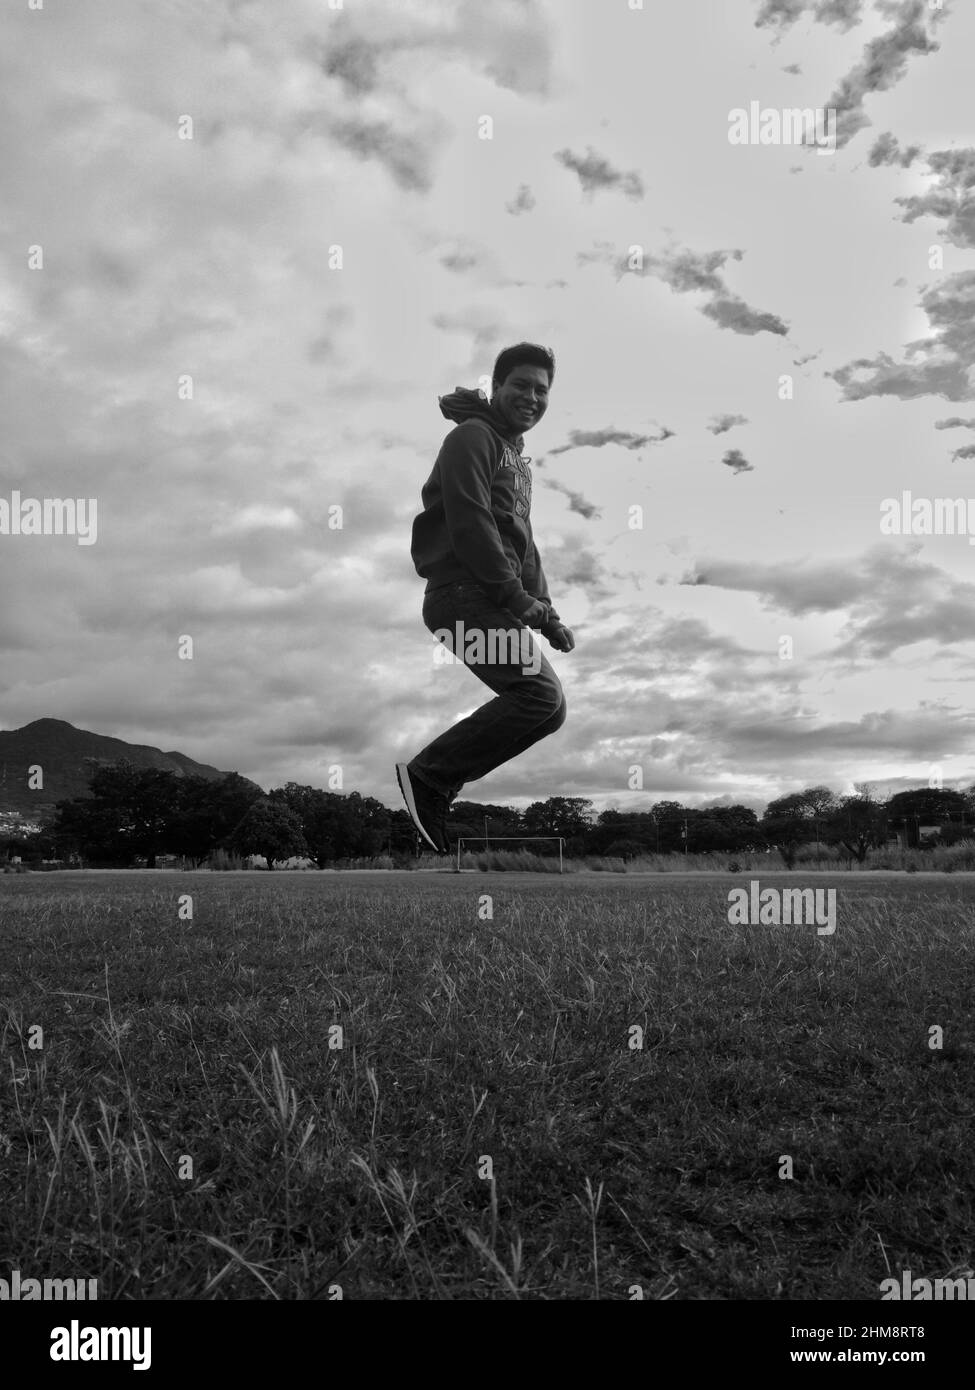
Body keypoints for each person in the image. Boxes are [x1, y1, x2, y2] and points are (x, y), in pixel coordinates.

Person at [396, 342, 574, 853]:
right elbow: (471, 522)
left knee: (549, 708)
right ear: (497, 387)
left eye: (542, 390)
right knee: (538, 695)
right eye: (520, 384)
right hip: (460, 596)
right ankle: (428, 778)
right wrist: (518, 602)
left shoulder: (517, 461)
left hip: (489, 598)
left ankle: (436, 783)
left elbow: (524, 544)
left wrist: (548, 616)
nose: (531, 396)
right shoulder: (473, 439)